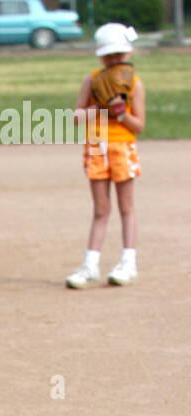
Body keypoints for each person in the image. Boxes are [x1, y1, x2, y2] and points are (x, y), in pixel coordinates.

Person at [66, 23, 145, 289]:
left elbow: (139, 126)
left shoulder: (135, 84)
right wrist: (101, 107)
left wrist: (122, 112)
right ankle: (90, 265)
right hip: (97, 147)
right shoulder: (92, 80)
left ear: (128, 53)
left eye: (119, 54)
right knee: (100, 209)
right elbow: (76, 117)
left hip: (123, 147)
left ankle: (128, 261)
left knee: (126, 207)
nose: (114, 60)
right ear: (100, 55)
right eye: (109, 55)